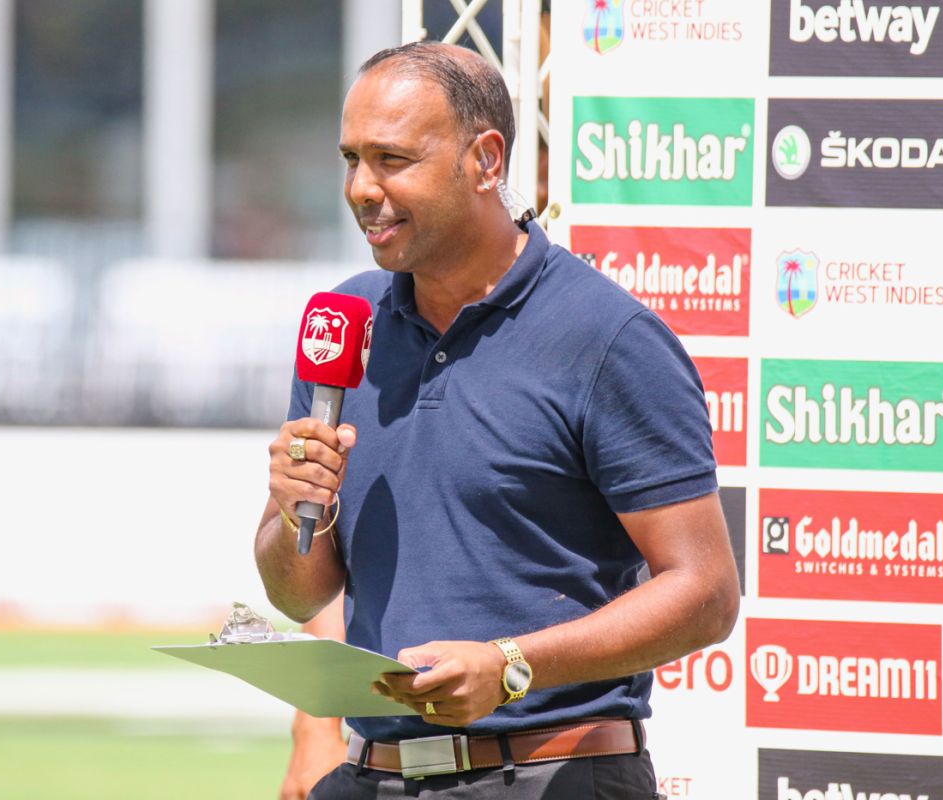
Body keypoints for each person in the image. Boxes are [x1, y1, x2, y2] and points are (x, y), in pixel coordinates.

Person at [256, 41, 740, 798]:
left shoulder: (606, 336)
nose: (360, 188)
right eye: (351, 157)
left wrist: (511, 665)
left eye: (392, 159)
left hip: (555, 772)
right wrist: (292, 512)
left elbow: (706, 593)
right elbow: (298, 592)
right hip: (372, 774)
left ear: (486, 161)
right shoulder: (342, 321)